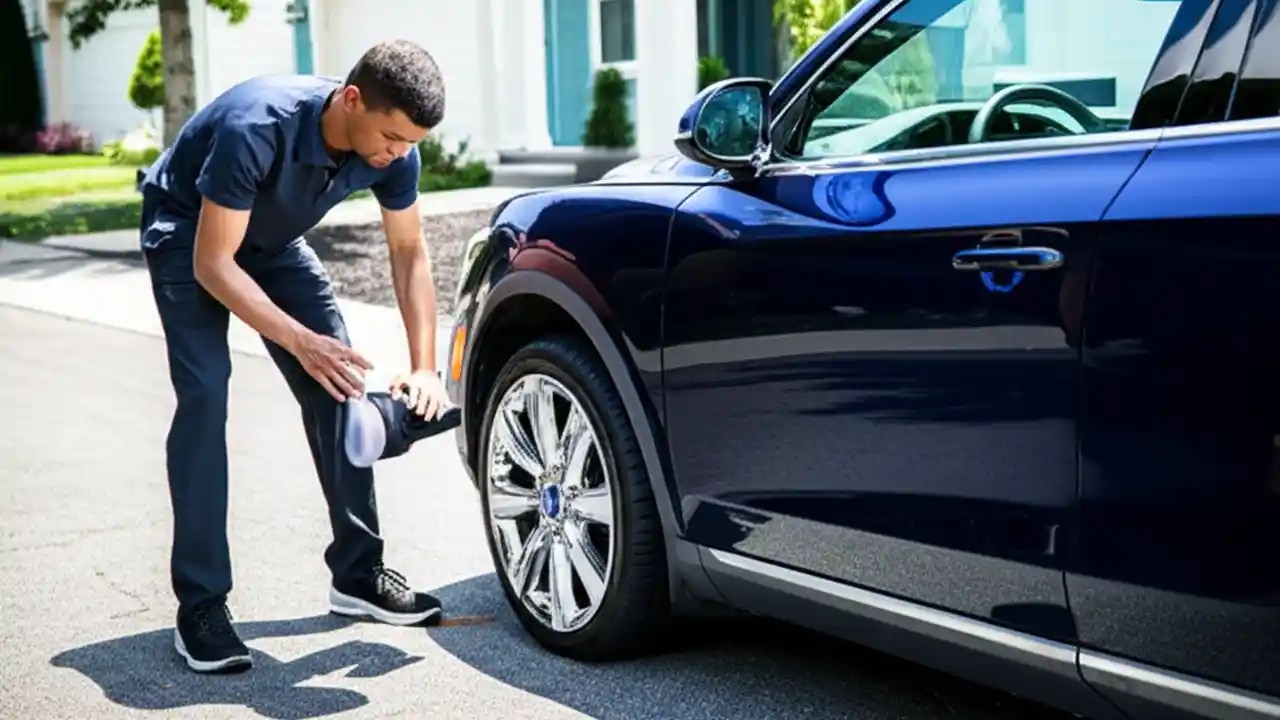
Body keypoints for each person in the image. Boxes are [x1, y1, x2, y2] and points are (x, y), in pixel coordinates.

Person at [137, 39, 454, 674]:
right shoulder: (256, 127)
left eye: (411, 143)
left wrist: (424, 366)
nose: (398, 153)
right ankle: (200, 606)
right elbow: (213, 263)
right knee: (206, 396)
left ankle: (358, 575)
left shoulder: (396, 152)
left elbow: (409, 254)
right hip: (188, 234)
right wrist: (298, 340)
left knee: (339, 383)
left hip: (273, 242)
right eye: (392, 137)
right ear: (352, 99)